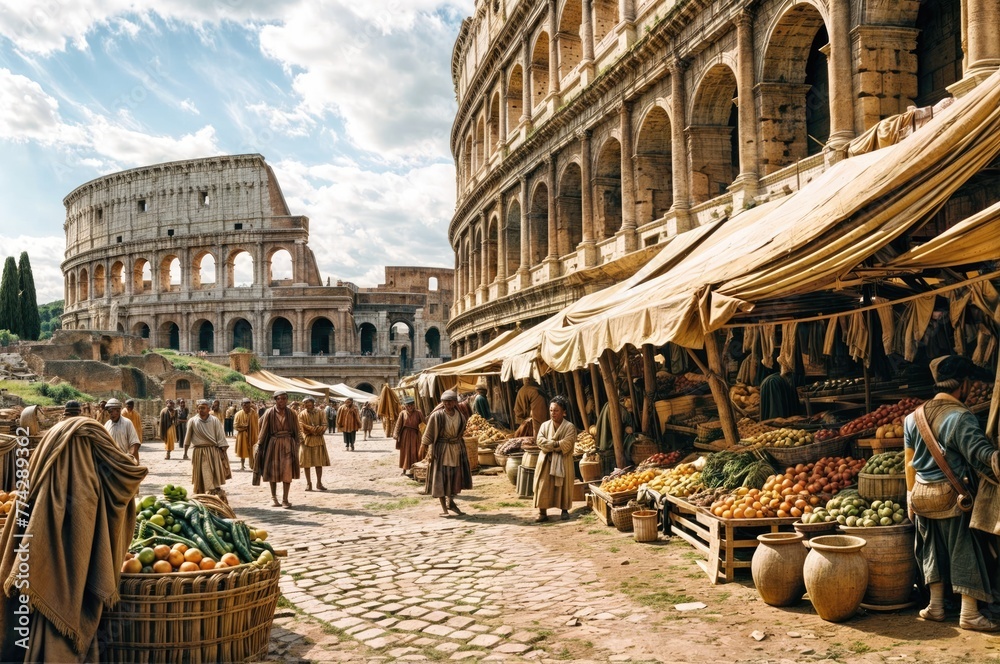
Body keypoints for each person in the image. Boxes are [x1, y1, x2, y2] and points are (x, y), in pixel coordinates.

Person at [904, 354, 1000, 631]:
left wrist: (910, 497)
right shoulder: (961, 417)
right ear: (965, 384)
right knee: (964, 549)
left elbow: (908, 461)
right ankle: (969, 614)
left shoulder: (913, 417)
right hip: (952, 496)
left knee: (931, 549)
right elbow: (981, 455)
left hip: (921, 495)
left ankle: (935, 607)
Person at [421, 390, 472, 516]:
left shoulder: (460, 416)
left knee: (455, 478)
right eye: (445, 402)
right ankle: (444, 509)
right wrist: (424, 445)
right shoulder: (437, 415)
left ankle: (451, 502)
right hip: (442, 450)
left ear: (455, 402)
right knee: (441, 479)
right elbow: (429, 432)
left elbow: (462, 430)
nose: (448, 404)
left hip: (456, 449)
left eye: (450, 401)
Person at [532, 396, 578, 522]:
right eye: (551, 410)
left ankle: (564, 510)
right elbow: (540, 441)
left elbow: (567, 444)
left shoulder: (569, 427)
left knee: (563, 486)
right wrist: (556, 444)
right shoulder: (544, 426)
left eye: (556, 410)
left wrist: (551, 444)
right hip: (546, 460)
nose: (553, 413)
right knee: (543, 485)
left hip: (563, 461)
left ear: (564, 412)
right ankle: (542, 512)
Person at [254, 390, 302, 508]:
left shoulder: (291, 413)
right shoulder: (269, 412)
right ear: (275, 400)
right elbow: (264, 428)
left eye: (284, 399)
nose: (282, 401)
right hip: (273, 444)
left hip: (288, 444)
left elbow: (296, 429)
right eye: (279, 399)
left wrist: (298, 442)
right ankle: (273, 497)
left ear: (287, 400)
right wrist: (259, 444)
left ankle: (285, 499)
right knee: (272, 471)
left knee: (287, 471)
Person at [183, 399, 231, 500]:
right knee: (201, 475)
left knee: (214, 475)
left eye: (203, 408)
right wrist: (185, 452)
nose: (201, 410)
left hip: (213, 450)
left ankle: (215, 495)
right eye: (199, 408)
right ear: (197, 409)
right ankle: (201, 496)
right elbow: (187, 438)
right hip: (199, 451)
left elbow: (220, 436)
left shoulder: (215, 420)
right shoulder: (192, 421)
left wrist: (223, 452)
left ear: (208, 409)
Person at [298, 396, 330, 491]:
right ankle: (309, 483)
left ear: (313, 403)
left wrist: (315, 430)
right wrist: (313, 429)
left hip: (318, 439)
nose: (307, 405)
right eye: (305, 403)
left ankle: (319, 483)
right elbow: (301, 427)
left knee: (318, 462)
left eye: (309, 403)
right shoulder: (301, 414)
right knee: (306, 463)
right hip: (306, 440)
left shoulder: (321, 412)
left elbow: (324, 425)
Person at [393, 396, 425, 477]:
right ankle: (404, 470)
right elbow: (398, 425)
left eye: (411, 405)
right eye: (408, 405)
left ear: (414, 405)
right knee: (405, 452)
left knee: (415, 452)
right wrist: (396, 434)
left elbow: (425, 423)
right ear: (405, 406)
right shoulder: (402, 413)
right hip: (405, 435)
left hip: (415, 435)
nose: (410, 407)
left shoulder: (418, 413)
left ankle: (415, 471)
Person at [103, 397, 141, 463]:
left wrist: (129, 458)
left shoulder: (127, 423)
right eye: (109, 411)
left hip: (124, 460)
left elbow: (135, 443)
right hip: (110, 461)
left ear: (118, 411)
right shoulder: (107, 425)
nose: (110, 414)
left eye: (112, 411)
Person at [233, 398, 259, 471]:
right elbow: (235, 425)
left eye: (247, 406)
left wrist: (257, 433)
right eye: (244, 406)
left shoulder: (254, 413)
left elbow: (257, 424)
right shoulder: (238, 414)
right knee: (242, 450)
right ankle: (242, 465)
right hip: (242, 435)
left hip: (253, 434)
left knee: (253, 450)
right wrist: (243, 427)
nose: (246, 407)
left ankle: (253, 465)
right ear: (242, 406)